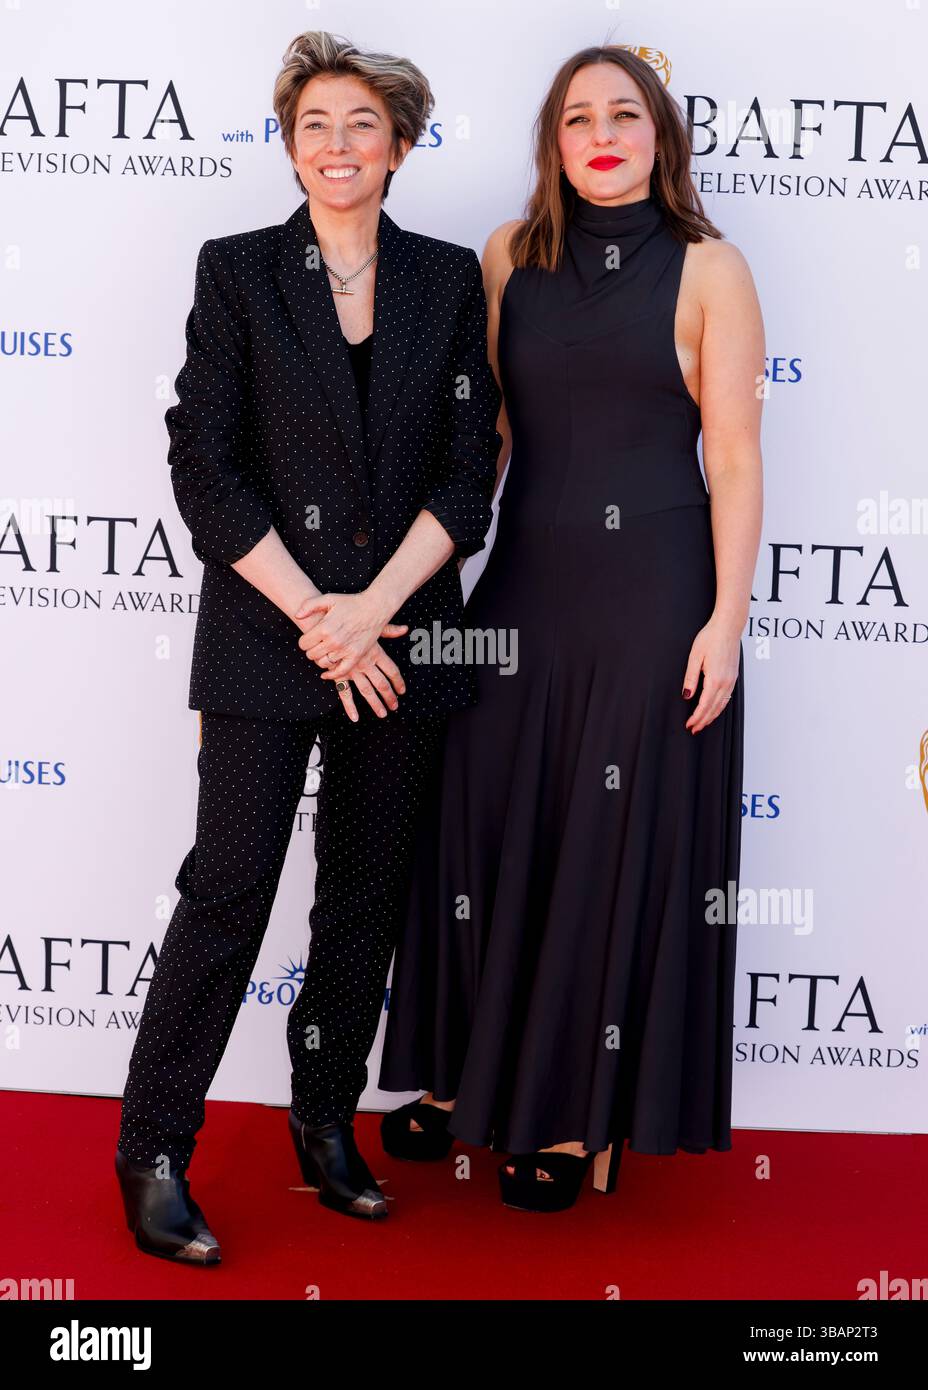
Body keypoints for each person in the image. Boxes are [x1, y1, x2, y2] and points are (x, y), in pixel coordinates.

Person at [115, 29, 501, 1261]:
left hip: (402, 633)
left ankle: (324, 1120)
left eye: (361, 125)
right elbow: (204, 467)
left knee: (362, 897)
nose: (337, 147)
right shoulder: (235, 272)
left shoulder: (448, 282)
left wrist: (372, 612)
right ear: (289, 148)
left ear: (400, 144)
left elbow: (465, 474)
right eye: (314, 126)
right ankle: (156, 1148)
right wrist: (318, 618)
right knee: (228, 887)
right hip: (268, 627)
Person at [379, 45, 764, 1213]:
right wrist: (404, 577)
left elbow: (735, 458)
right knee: (479, 809)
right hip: (525, 581)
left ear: (662, 137)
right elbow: (485, 439)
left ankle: (568, 1117)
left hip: (652, 592)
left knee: (606, 845)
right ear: (553, 139)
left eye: (625, 116)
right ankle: (464, 1075)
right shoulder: (509, 257)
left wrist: (725, 622)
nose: (603, 134)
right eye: (578, 118)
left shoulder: (709, 268)